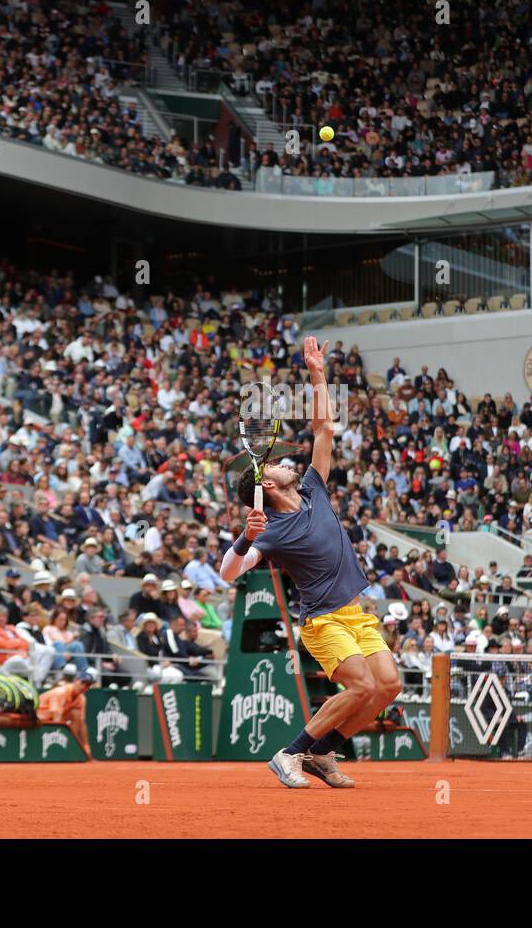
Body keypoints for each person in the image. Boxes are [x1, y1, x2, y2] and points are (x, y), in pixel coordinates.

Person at [222, 336, 401, 789]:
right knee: (361, 687)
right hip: (323, 622)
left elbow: (324, 430)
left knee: (388, 687)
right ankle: (291, 753)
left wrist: (317, 373)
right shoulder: (270, 531)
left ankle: (320, 753)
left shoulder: (312, 490)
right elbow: (228, 574)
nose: (288, 463)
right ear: (267, 484)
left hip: (356, 614)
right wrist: (246, 536)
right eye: (280, 466)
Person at [37, 664, 95, 757]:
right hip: (38, 719)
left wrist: (86, 746)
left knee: (76, 714)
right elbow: (56, 721)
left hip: (51, 720)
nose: (84, 687)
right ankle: (60, 750)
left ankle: (71, 745)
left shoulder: (82, 699)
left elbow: (82, 723)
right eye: (82, 683)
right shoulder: (60, 692)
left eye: (87, 685)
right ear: (76, 681)